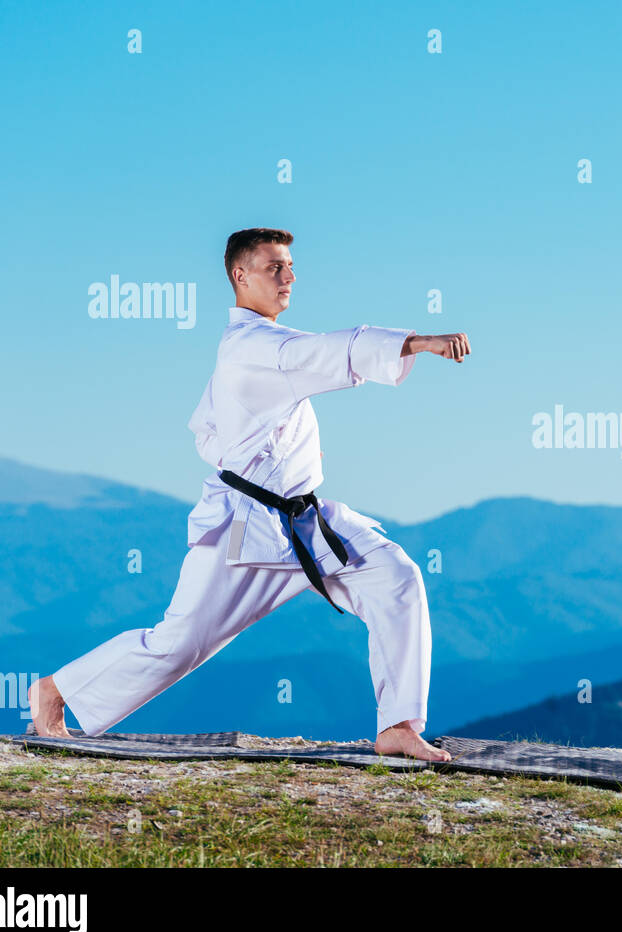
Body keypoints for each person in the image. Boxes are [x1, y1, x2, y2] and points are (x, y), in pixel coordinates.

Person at [28, 227, 470, 762]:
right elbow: (330, 350)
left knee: (395, 577)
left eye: (290, 266)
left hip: (306, 521)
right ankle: (55, 691)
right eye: (274, 267)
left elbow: (208, 428)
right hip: (246, 528)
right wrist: (416, 341)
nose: (289, 277)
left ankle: (397, 725)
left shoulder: (253, 346)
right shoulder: (255, 347)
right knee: (179, 644)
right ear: (241, 275)